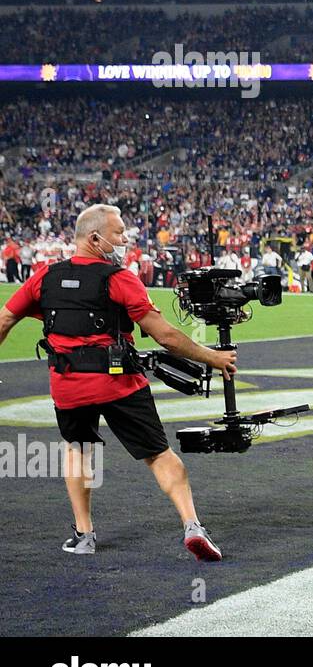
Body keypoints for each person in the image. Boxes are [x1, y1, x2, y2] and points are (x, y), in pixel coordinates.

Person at [0, 205, 237, 560]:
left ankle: (84, 534)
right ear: (94, 238)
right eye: (119, 232)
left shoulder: (44, 277)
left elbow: (5, 320)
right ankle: (191, 525)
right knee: (158, 454)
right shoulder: (120, 278)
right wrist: (214, 357)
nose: (125, 239)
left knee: (78, 448)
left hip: (67, 384)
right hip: (117, 382)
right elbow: (167, 337)